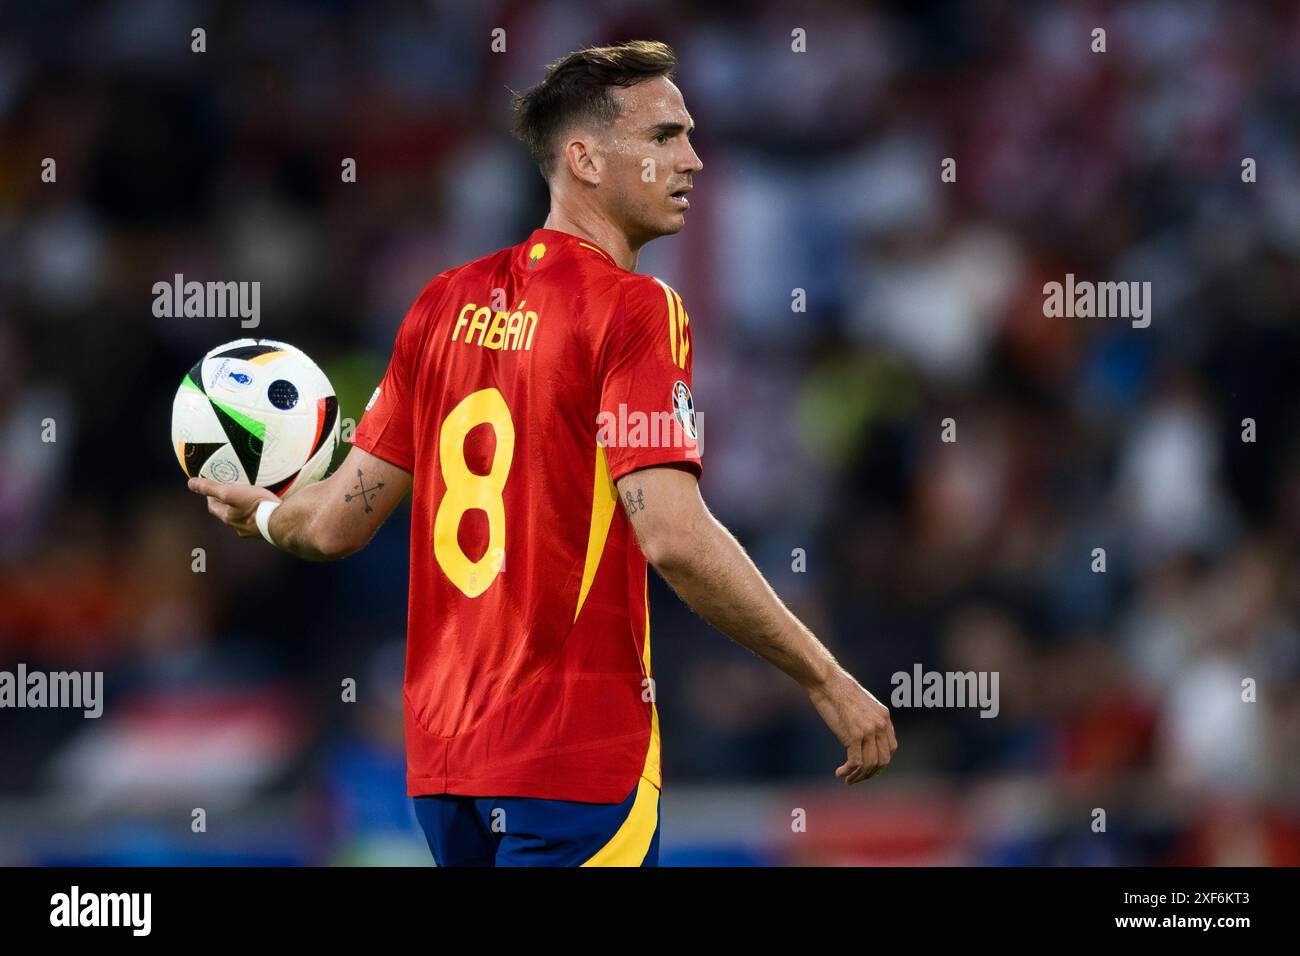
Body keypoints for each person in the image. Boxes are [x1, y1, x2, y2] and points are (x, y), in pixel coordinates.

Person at [188, 39, 896, 867]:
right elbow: (670, 535)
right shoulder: (634, 310)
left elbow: (337, 523)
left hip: (446, 767)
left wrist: (266, 515)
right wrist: (821, 675)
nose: (694, 160)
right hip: (575, 757)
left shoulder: (440, 304)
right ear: (585, 159)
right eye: (665, 136)